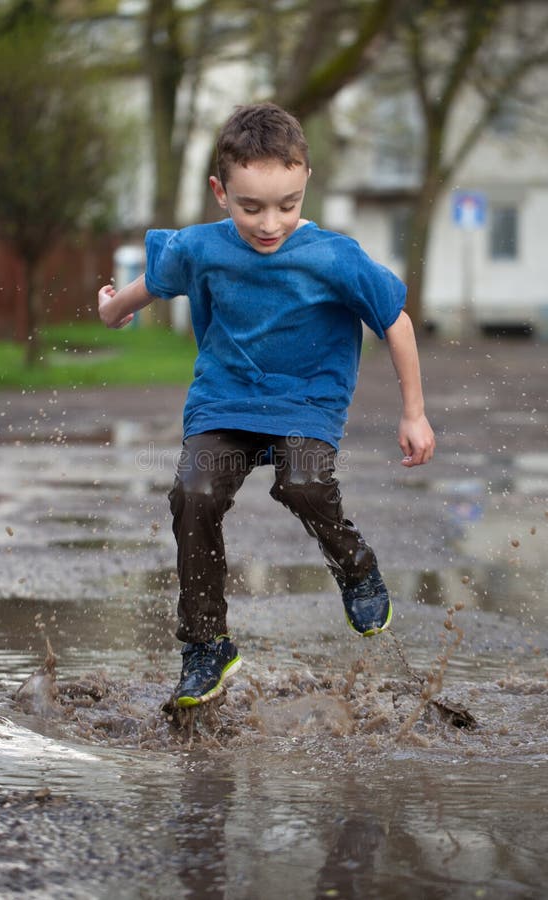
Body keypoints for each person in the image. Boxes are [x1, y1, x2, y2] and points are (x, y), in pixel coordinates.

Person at [98, 102, 435, 710]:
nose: (270, 223)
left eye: (287, 204)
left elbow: (398, 323)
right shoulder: (199, 248)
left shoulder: (334, 256)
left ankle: (355, 567)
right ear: (219, 191)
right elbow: (146, 289)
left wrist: (414, 413)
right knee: (193, 494)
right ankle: (206, 644)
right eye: (250, 206)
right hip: (225, 403)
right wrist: (110, 311)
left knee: (305, 482)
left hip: (306, 402)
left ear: (305, 181)